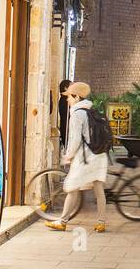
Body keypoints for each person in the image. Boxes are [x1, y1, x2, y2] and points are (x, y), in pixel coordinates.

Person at [47, 82, 109, 233]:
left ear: (76, 97)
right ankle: (101, 223)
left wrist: (68, 156)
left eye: (69, 97)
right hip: (99, 155)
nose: (67, 100)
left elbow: (75, 139)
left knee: (72, 187)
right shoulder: (92, 110)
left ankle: (62, 221)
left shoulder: (77, 114)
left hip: (85, 157)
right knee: (98, 188)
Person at [56, 79, 71, 150]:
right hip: (67, 130)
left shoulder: (66, 99)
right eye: (71, 86)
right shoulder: (65, 101)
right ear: (66, 88)